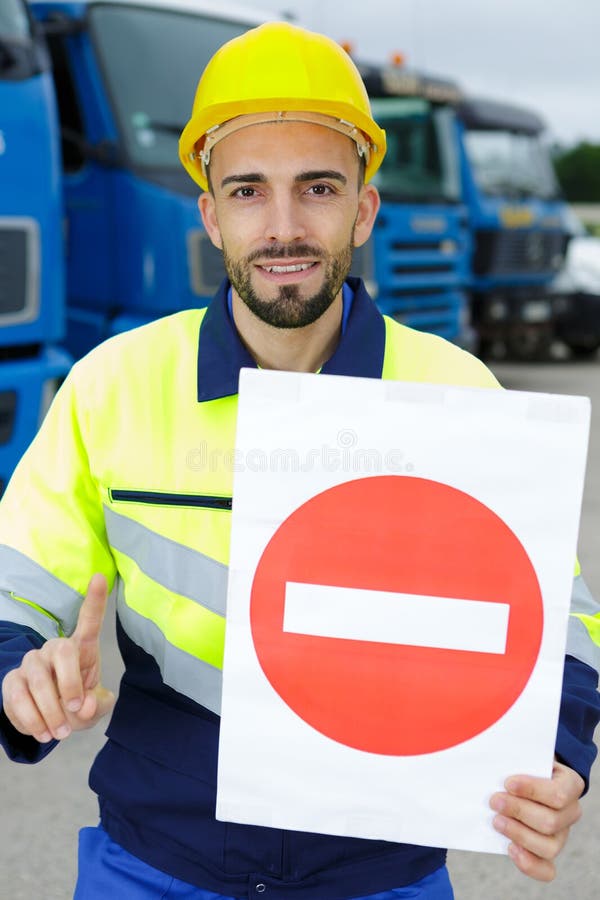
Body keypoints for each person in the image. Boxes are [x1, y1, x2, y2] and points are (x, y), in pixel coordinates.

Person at [0, 21, 599, 900]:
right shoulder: (113, 386)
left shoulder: (456, 390)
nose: (283, 228)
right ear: (210, 213)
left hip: (380, 873)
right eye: (247, 191)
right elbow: (16, 588)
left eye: (316, 187)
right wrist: (23, 672)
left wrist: (559, 756)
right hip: (156, 865)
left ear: (363, 208)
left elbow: (564, 625)